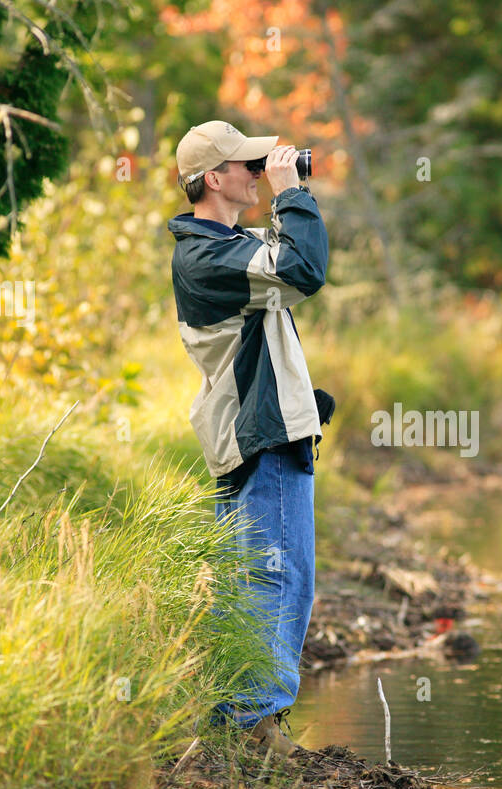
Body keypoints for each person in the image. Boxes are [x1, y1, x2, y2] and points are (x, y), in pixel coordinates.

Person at [167, 120, 331, 756]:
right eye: (249, 166)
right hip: (259, 442)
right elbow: (305, 267)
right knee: (278, 578)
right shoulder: (208, 254)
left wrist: (304, 400)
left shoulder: (225, 247)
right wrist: (293, 191)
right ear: (213, 179)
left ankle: (237, 722)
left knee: (251, 580)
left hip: (257, 432)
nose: (259, 173)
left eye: (262, 165)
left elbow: (268, 323)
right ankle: (252, 725)